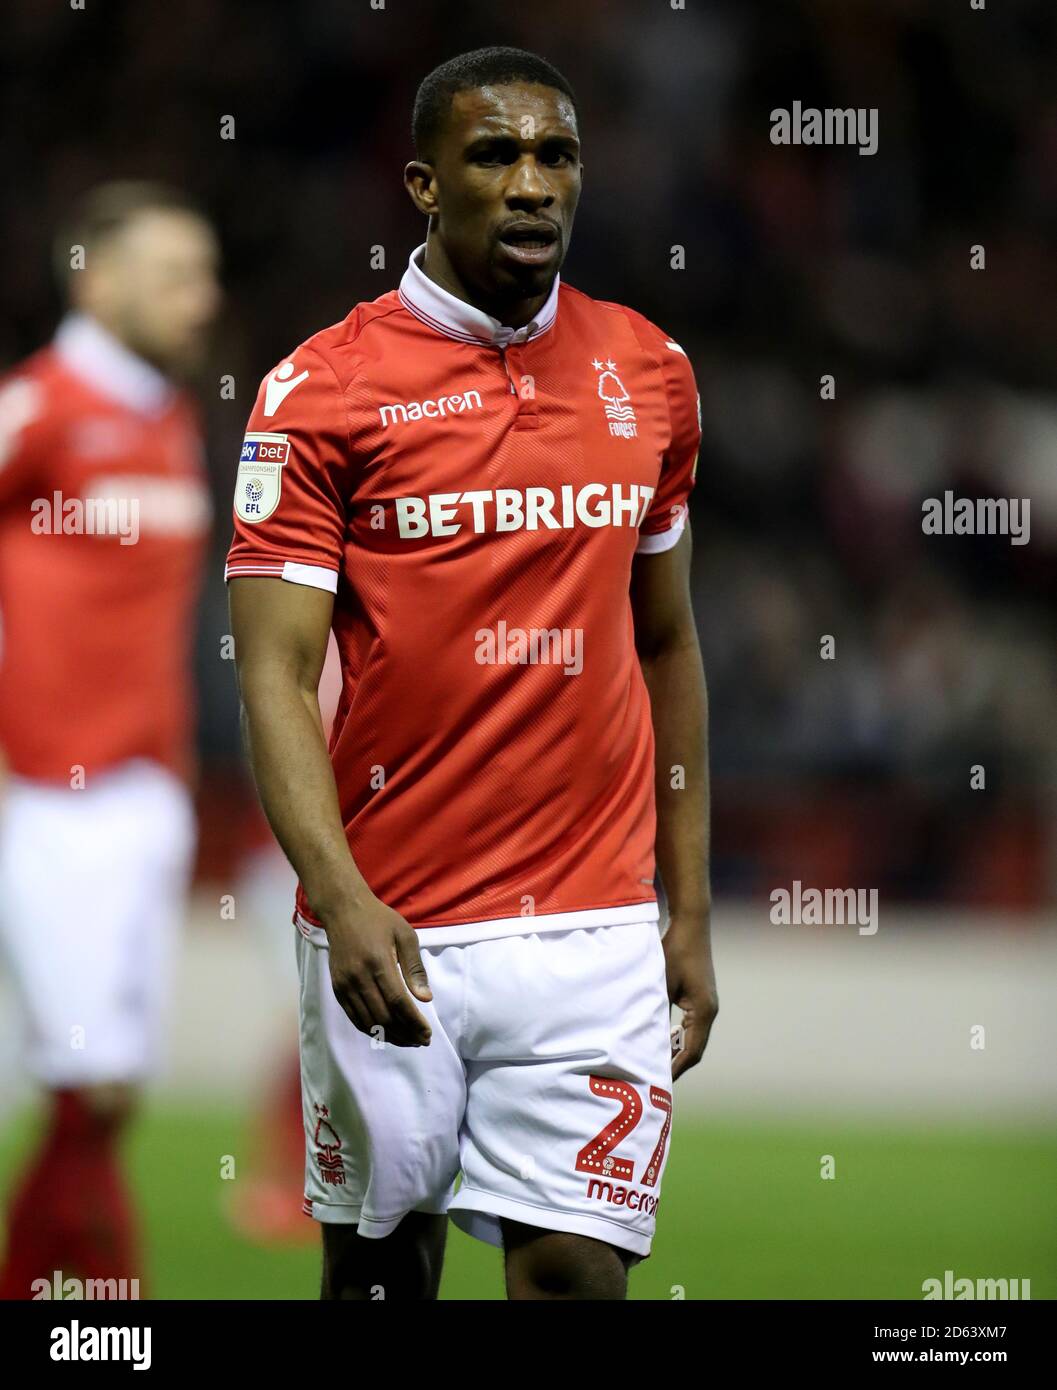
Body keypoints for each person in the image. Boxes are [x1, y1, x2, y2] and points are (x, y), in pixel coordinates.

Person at [226, 46, 717, 1301]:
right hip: (396, 925)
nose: (532, 183)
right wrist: (337, 895)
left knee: (572, 1282)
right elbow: (274, 677)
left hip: (596, 931)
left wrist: (689, 907)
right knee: (380, 1281)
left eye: (555, 155)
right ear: (423, 184)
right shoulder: (317, 392)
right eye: (494, 155)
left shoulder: (648, 374)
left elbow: (665, 642)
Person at [0, 182, 219, 1298]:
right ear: (95, 277)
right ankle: (107, 1308)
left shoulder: (167, 417)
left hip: (148, 791)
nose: (203, 298)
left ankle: (42, 1296)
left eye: (208, 274)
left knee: (113, 1090)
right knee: (89, 1086)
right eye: (175, 274)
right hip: (53, 797)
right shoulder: (38, 407)